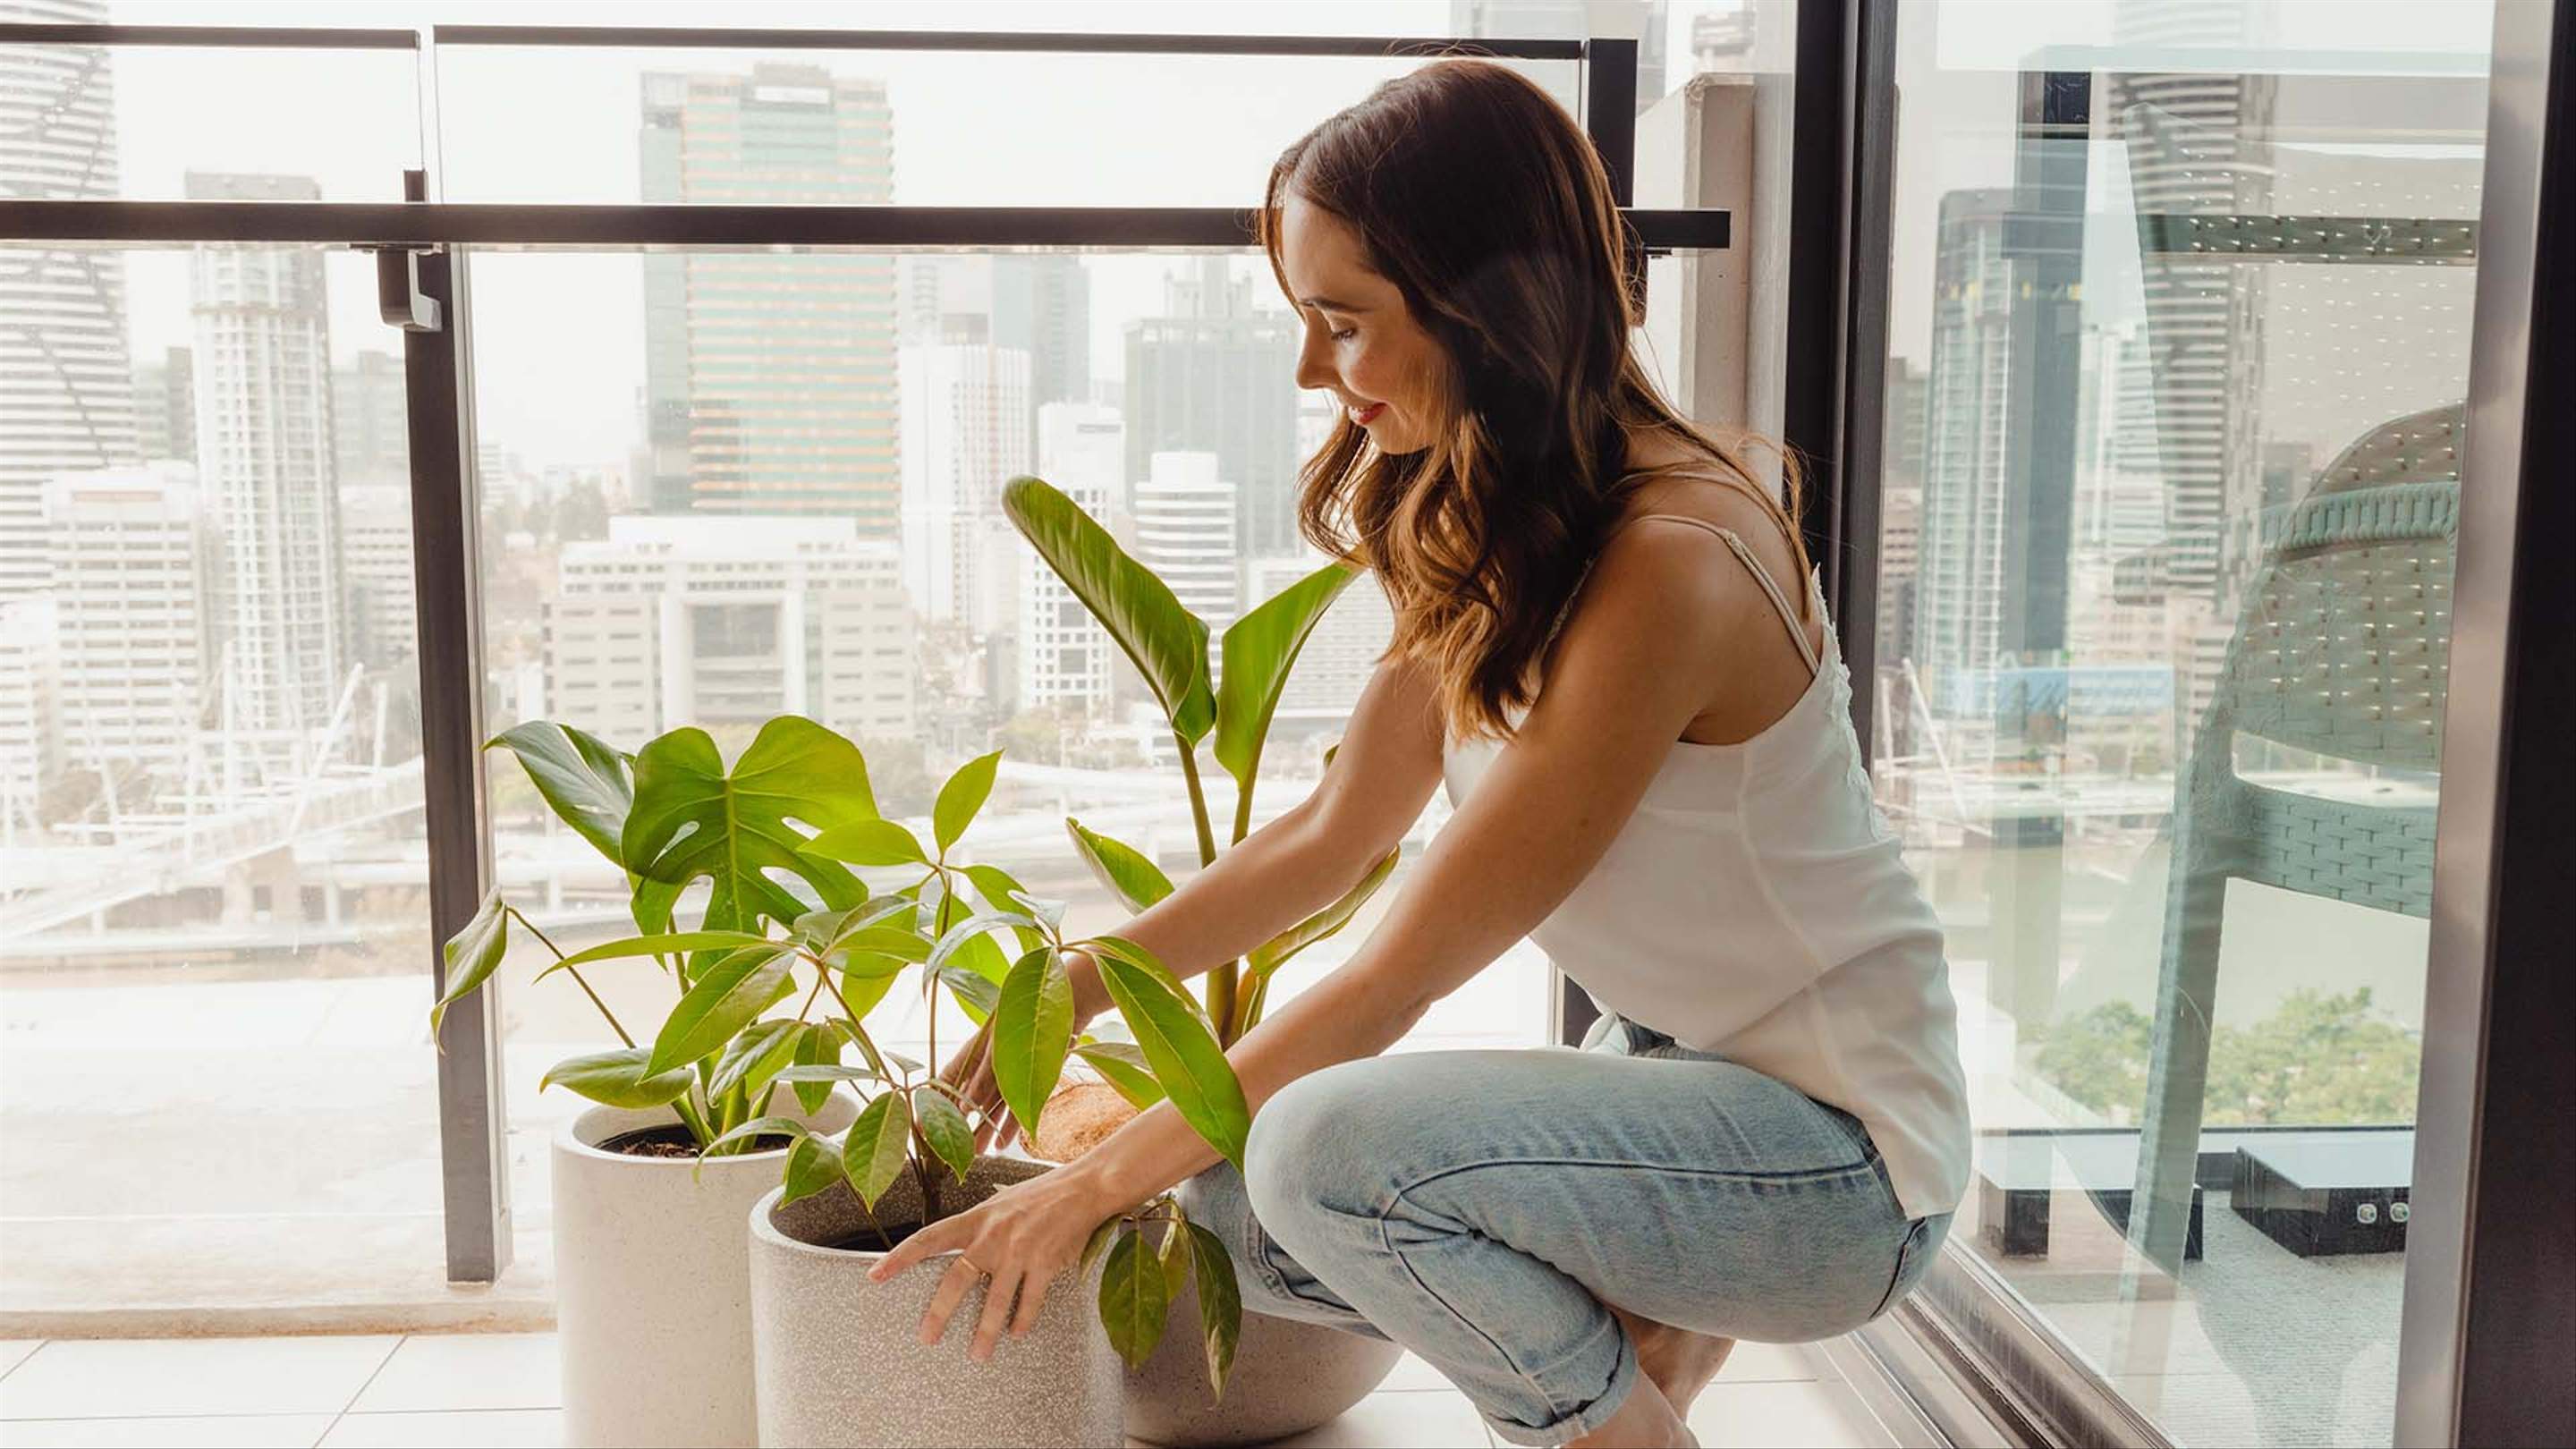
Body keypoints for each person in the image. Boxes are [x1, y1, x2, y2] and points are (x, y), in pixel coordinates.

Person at [869, 56, 1970, 1449]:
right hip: (1689, 1086)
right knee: (1231, 1206)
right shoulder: (1491, 507)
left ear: (1487, 307)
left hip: (1842, 1171)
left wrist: (1082, 1191)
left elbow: (1395, 979)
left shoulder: (1673, 564)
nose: (1310, 368)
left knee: (1317, 1157)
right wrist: (1087, 980)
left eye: (1342, 319)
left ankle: (1627, 1432)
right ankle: (1644, 1356)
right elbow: (1337, 833)